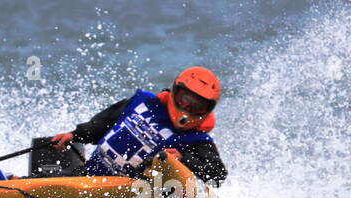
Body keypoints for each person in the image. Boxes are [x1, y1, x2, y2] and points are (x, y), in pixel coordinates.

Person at [50, 66, 227, 185]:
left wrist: (183, 158)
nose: (186, 109)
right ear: (174, 91)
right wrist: (74, 135)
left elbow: (217, 175)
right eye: (184, 100)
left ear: (207, 110)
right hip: (90, 177)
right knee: (37, 182)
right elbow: (102, 123)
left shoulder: (197, 140)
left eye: (196, 106)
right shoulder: (141, 103)